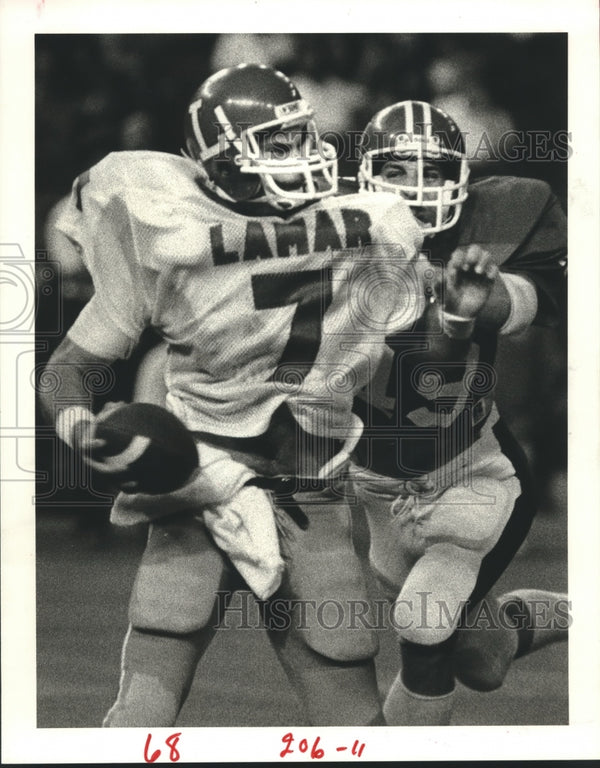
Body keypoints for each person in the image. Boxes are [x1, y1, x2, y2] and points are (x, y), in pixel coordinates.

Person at [38, 65, 427, 727]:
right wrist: (83, 432)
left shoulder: (368, 221)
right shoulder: (168, 224)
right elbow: (65, 371)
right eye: (279, 142)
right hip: (198, 488)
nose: (304, 153)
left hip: (309, 492)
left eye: (302, 135)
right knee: (142, 715)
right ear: (220, 154)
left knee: (355, 726)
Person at [349, 100, 568, 725]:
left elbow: (518, 304)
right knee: (482, 660)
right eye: (400, 172)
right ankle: (572, 613)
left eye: (432, 170)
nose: (416, 188)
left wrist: (464, 304)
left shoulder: (495, 223)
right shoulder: (330, 239)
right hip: (381, 490)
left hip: (472, 472)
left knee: (424, 623)